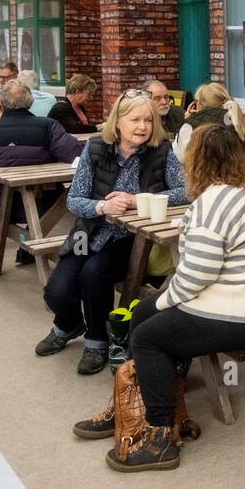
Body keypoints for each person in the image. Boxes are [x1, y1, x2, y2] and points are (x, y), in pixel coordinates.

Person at [75, 117, 245, 472]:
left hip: (243, 311)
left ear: (198, 160)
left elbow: (194, 278)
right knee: (144, 314)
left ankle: (160, 437)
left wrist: (160, 300)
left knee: (146, 334)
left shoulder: (212, 203)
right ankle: (133, 403)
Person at [36, 89, 187, 375]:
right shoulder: (94, 148)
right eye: (135, 120)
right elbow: (74, 200)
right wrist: (102, 206)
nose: (142, 126)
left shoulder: (162, 151)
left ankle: (97, 341)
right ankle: (68, 323)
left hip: (130, 237)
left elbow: (185, 192)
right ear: (118, 122)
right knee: (56, 291)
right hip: (88, 231)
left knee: (94, 274)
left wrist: (135, 200)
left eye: (148, 120)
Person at [0, 80, 83, 272]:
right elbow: (75, 155)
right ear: (30, 103)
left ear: (1, 104)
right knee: (56, 194)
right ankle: (26, 250)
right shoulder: (48, 126)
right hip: (41, 198)